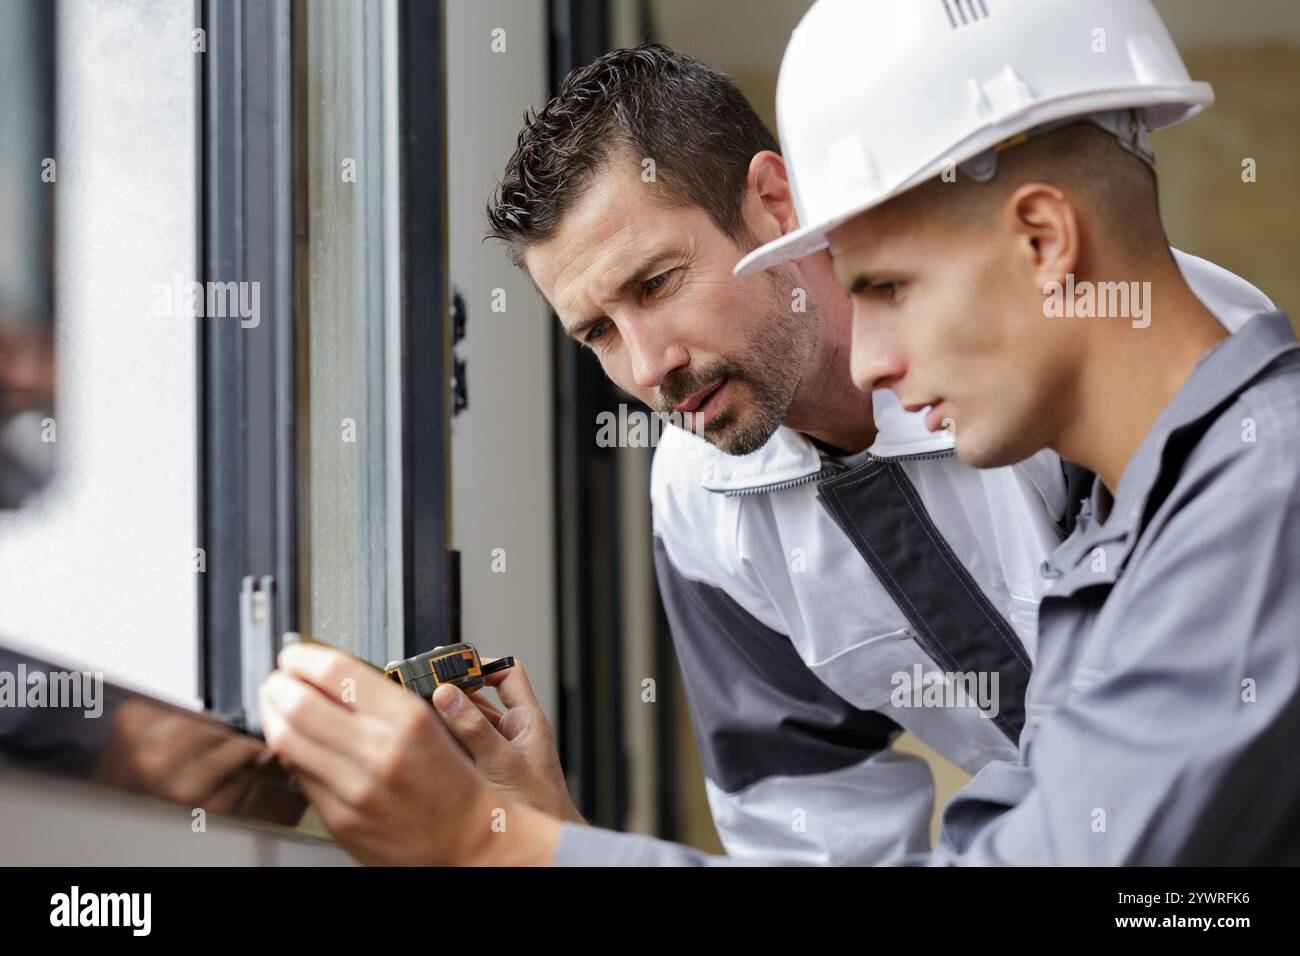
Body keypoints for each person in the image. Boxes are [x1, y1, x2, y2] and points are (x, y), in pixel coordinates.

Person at [259, 5, 1296, 864]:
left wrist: (499, 849)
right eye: (595, 334)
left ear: (772, 201)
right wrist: (550, 840)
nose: (643, 368)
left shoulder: (1183, 422)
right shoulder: (704, 502)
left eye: (657, 283)